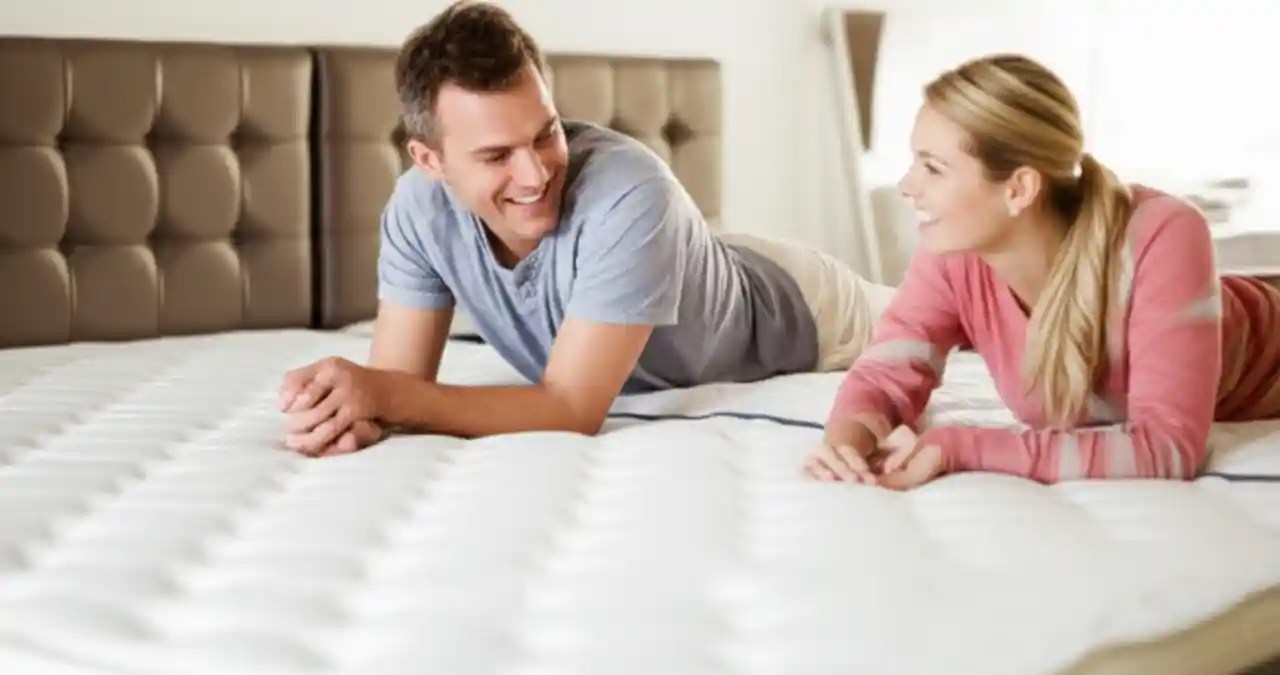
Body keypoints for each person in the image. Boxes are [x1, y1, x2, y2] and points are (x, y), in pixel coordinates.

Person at [278, 0, 891, 457]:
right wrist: (343, 412)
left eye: (546, 132)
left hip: (803, 307)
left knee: (955, 313)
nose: (535, 171)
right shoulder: (417, 211)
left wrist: (383, 398)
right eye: (496, 156)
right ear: (430, 161)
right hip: (683, 265)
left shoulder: (629, 190)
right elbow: (399, 388)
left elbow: (571, 408)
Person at [805, 53, 1280, 489]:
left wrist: (960, 446)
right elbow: (885, 379)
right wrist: (847, 440)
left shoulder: (1165, 233)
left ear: (1019, 189)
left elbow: (1168, 448)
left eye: (933, 168)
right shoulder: (953, 255)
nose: (908, 186)